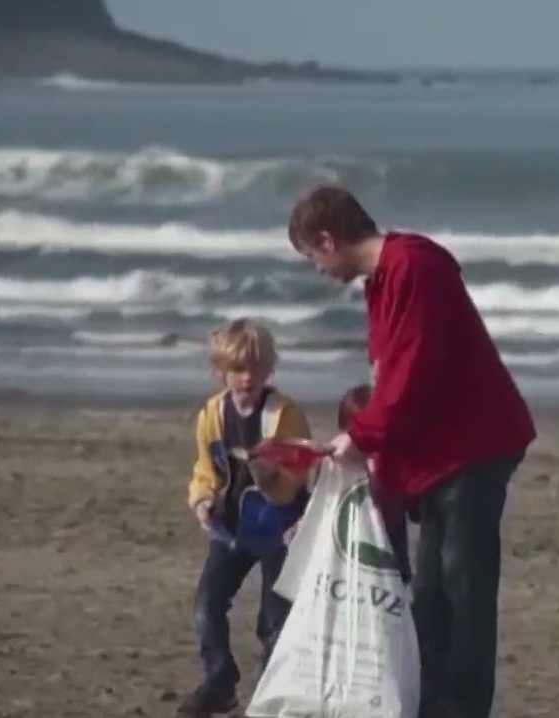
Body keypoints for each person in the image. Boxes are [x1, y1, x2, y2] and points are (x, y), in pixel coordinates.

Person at [287, 184, 537, 718]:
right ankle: (431, 703)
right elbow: (390, 377)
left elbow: (409, 372)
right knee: (431, 592)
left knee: (463, 591)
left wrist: (361, 436)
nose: (317, 269)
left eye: (312, 256)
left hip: (473, 447)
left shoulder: (412, 267)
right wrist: (365, 440)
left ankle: (461, 709)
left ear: (328, 240)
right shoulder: (383, 282)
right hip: (440, 455)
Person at [177, 318, 313, 718]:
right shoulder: (212, 414)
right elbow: (207, 470)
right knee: (207, 606)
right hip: (232, 527)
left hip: (281, 530)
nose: (247, 377)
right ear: (220, 370)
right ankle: (220, 684)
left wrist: (272, 479)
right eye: (238, 369)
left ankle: (273, 694)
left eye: (256, 368)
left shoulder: (284, 415)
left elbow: (298, 475)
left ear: (269, 369)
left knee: (274, 621)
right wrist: (203, 499)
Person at [337, 382, 412, 583]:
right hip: (350, 560)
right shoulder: (335, 467)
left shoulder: (389, 465)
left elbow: (412, 504)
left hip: (389, 561)